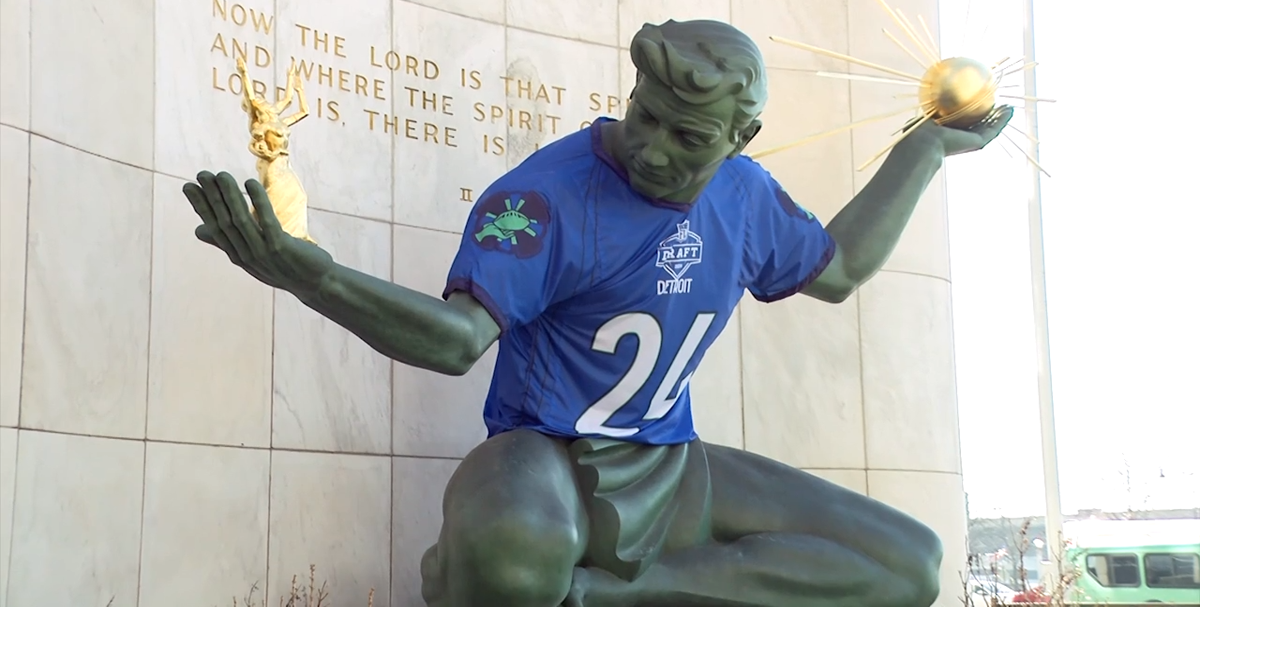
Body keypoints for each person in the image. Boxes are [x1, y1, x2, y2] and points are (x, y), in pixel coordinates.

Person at [183, 19, 1011, 607]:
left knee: (907, 564)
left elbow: (840, 270)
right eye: (646, 115)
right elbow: (456, 341)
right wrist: (311, 277)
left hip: (669, 463)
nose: (653, 148)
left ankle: (621, 595)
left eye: (689, 138)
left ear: (741, 137)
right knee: (515, 553)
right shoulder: (542, 198)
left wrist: (926, 147)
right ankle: (477, 572)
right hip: (543, 451)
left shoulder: (745, 198)